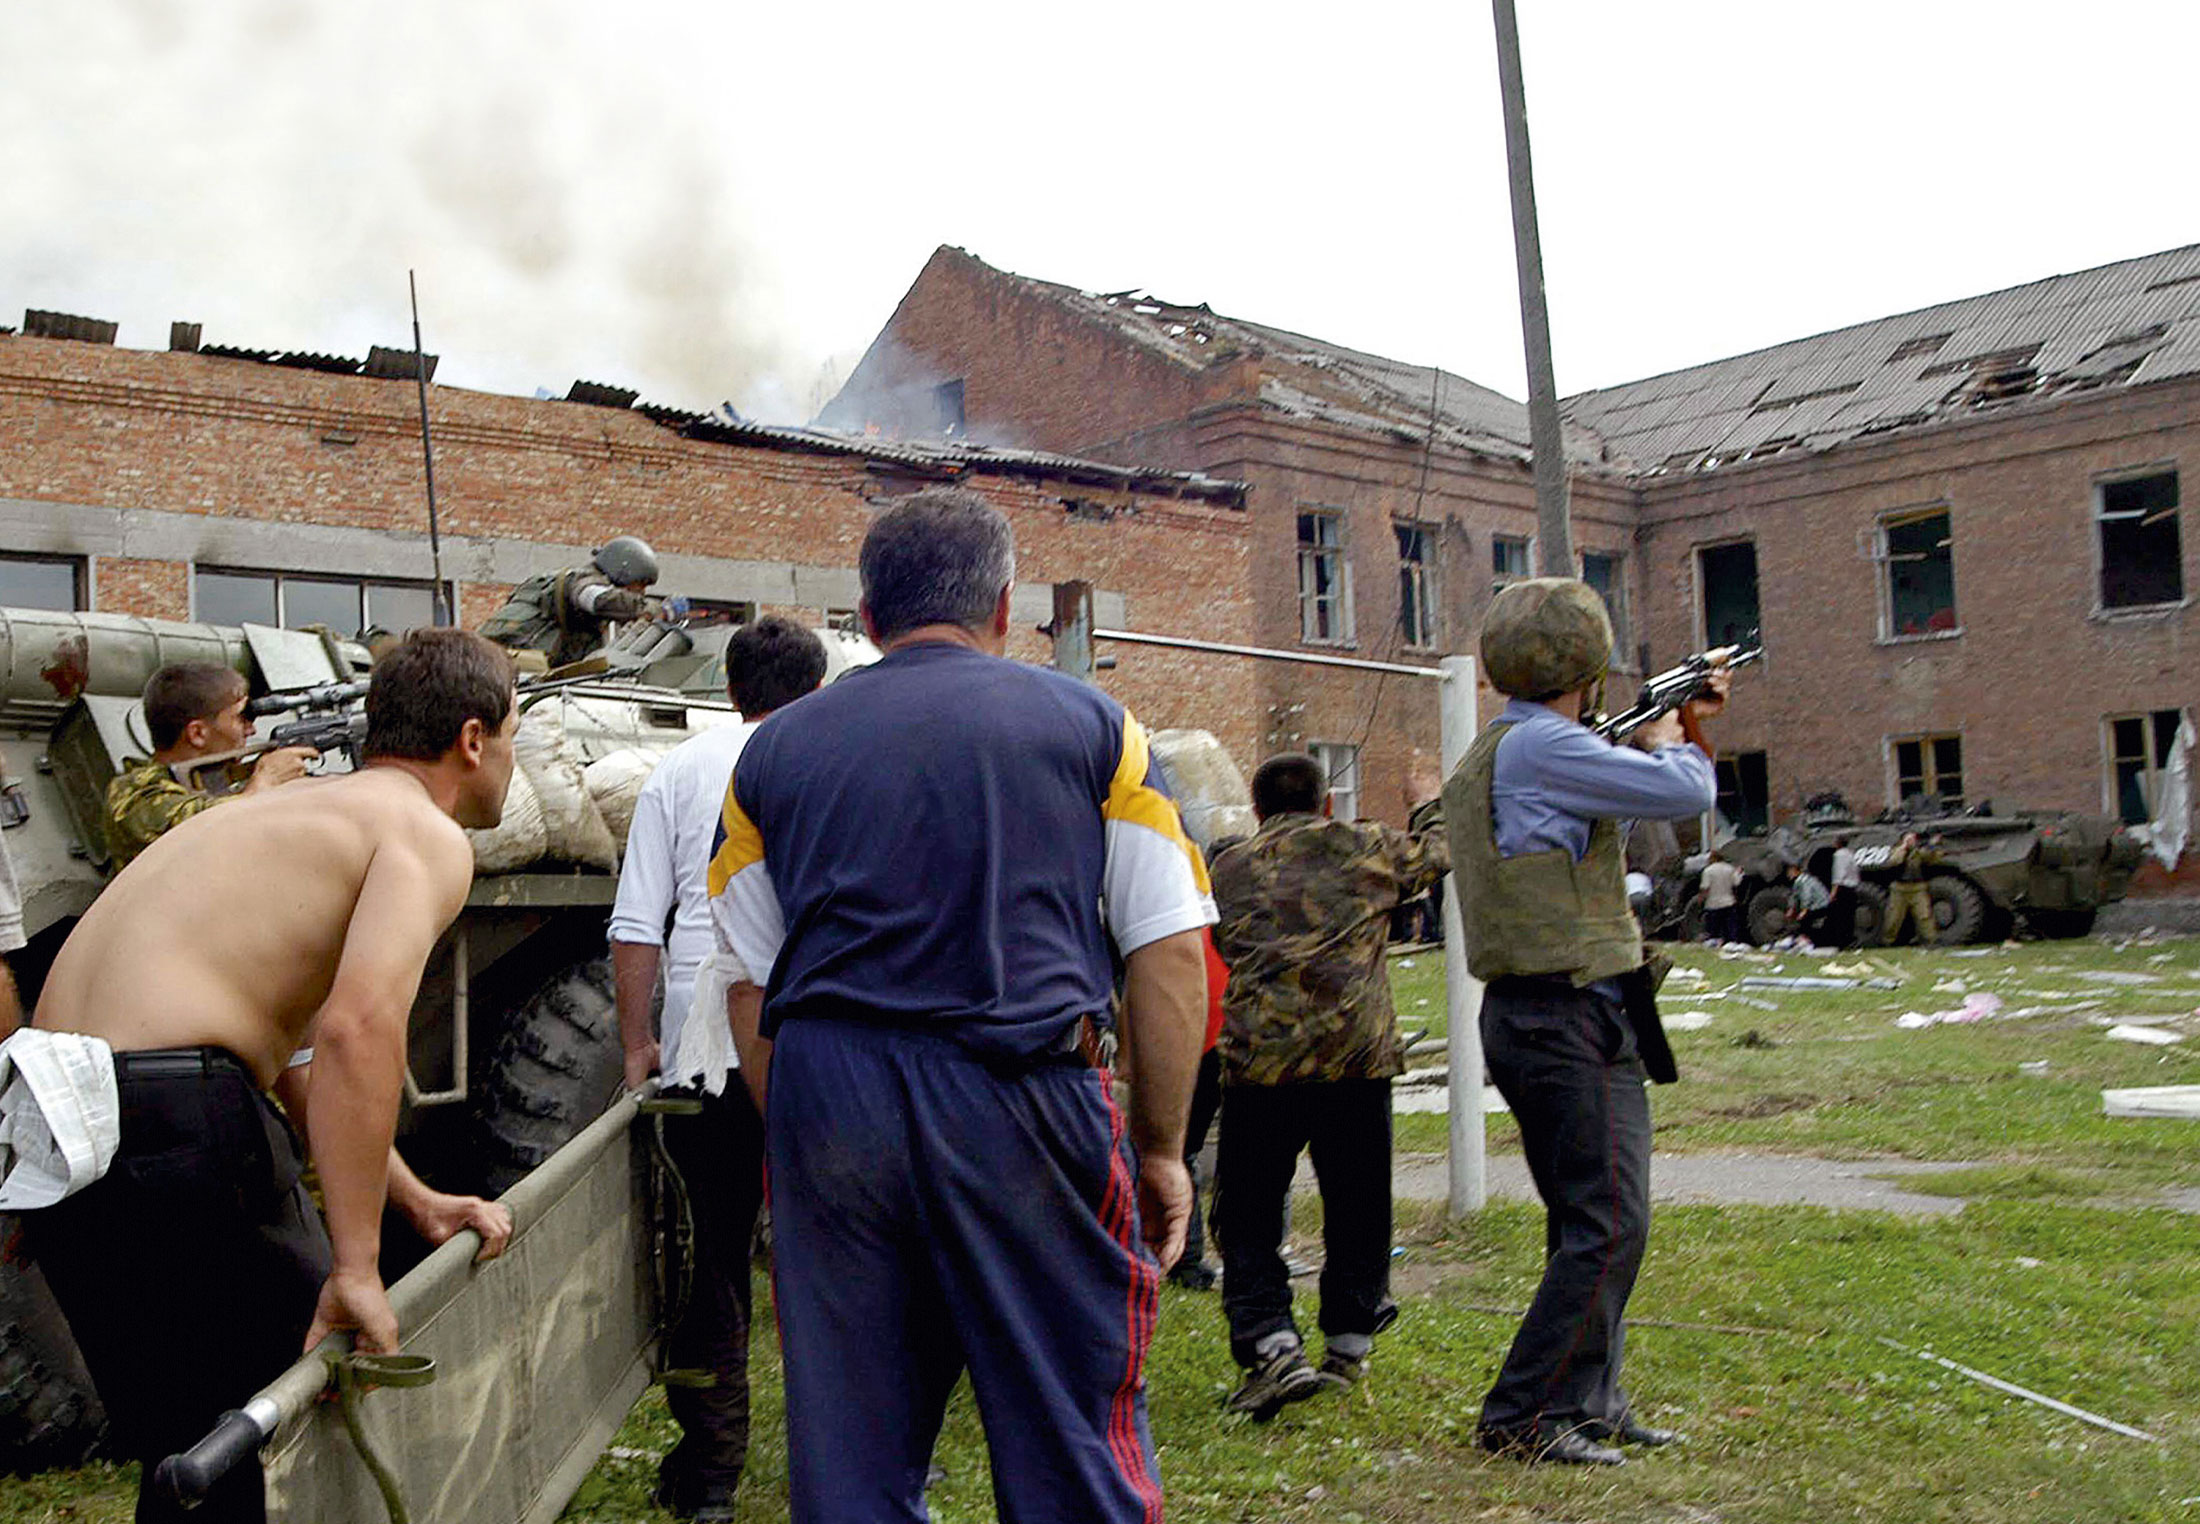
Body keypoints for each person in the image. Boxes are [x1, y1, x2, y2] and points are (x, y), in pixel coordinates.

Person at [708, 488, 1211, 1524]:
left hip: (830, 1093)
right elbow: (1168, 955)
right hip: (1021, 1094)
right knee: (1074, 1434)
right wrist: (1161, 1149)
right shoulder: (1096, 728)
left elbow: (749, 983)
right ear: (1003, 602)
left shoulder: (770, 754)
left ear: (867, 612)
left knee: (852, 1456)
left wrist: (805, 1145)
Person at [9, 629, 520, 1524]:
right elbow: (360, 1028)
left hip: (59, 1127)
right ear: (473, 739)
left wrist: (410, 1198)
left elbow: (293, 1051)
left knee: (195, 1455)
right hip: (172, 1111)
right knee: (292, 1422)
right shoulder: (418, 831)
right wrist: (359, 1266)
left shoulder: (259, 817)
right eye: (511, 740)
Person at [1443, 577, 1728, 1467]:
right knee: (1607, 1221)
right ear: (1585, 663)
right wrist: (1674, 731)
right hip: (1568, 1013)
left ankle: (1590, 1396)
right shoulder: (1547, 748)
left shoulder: (1510, 744)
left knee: (1598, 1219)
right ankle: (1526, 1411)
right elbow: (1683, 794)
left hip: (1549, 1010)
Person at [608, 616, 826, 1521]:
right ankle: (877, 1459)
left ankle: (709, 1484)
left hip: (709, 1056)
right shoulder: (837, 760)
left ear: (729, 690)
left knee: (714, 1261)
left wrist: (635, 1048)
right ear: (815, 689)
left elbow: (634, 924)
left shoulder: (680, 770)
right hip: (820, 1041)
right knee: (843, 1257)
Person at [1207, 753, 1446, 1417]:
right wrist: (1425, 797)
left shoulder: (1228, 868)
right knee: (1358, 1202)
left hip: (1262, 1063)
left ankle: (1270, 1343)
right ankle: (1348, 1344)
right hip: (1355, 1061)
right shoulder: (1364, 847)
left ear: (1257, 811)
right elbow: (1441, 851)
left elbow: (1220, 937)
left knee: (1249, 1210)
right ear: (1326, 804)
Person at [104, 662, 317, 870]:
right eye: (242, 717)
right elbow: (203, 826)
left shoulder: (213, 778)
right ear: (197, 733)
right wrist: (266, 780)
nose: (251, 730)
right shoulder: (133, 797)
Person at [479, 535, 673, 668]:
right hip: (513, 661)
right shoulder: (583, 581)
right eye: (638, 584)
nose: (640, 592)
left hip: (517, 663)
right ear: (622, 570)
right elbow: (597, 599)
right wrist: (651, 608)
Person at [1880, 831, 1938, 945]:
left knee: (1924, 915)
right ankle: (1888, 940)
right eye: (1909, 839)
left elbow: (1929, 857)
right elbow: (1895, 860)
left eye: (1914, 839)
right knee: (1894, 917)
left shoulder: (1918, 852)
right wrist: (1904, 847)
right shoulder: (1896, 850)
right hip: (1899, 889)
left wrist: (1931, 845)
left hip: (1917, 888)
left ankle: (1931, 939)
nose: (1912, 841)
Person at [1781, 861, 1832, 946]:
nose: (1788, 874)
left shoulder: (1804, 881)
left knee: (1804, 921)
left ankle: (1807, 940)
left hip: (1821, 905)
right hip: (1815, 905)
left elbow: (1807, 895)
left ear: (1797, 871)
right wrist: (1791, 909)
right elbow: (1794, 896)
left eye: (1790, 872)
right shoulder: (1798, 882)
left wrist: (1804, 911)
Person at [1699, 848, 1741, 944]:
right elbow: (1737, 883)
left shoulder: (1708, 871)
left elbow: (1705, 888)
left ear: (1713, 859)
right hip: (1729, 902)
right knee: (1730, 930)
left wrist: (1701, 899)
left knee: (1713, 932)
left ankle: (1715, 946)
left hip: (1713, 904)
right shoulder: (1730, 868)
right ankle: (1731, 945)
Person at [1825, 835, 1861, 948]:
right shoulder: (1851, 854)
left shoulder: (1839, 855)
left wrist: (1833, 892)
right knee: (1849, 917)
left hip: (1843, 889)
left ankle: (1840, 942)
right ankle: (1850, 941)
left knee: (1840, 917)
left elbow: (1838, 875)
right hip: (1852, 888)